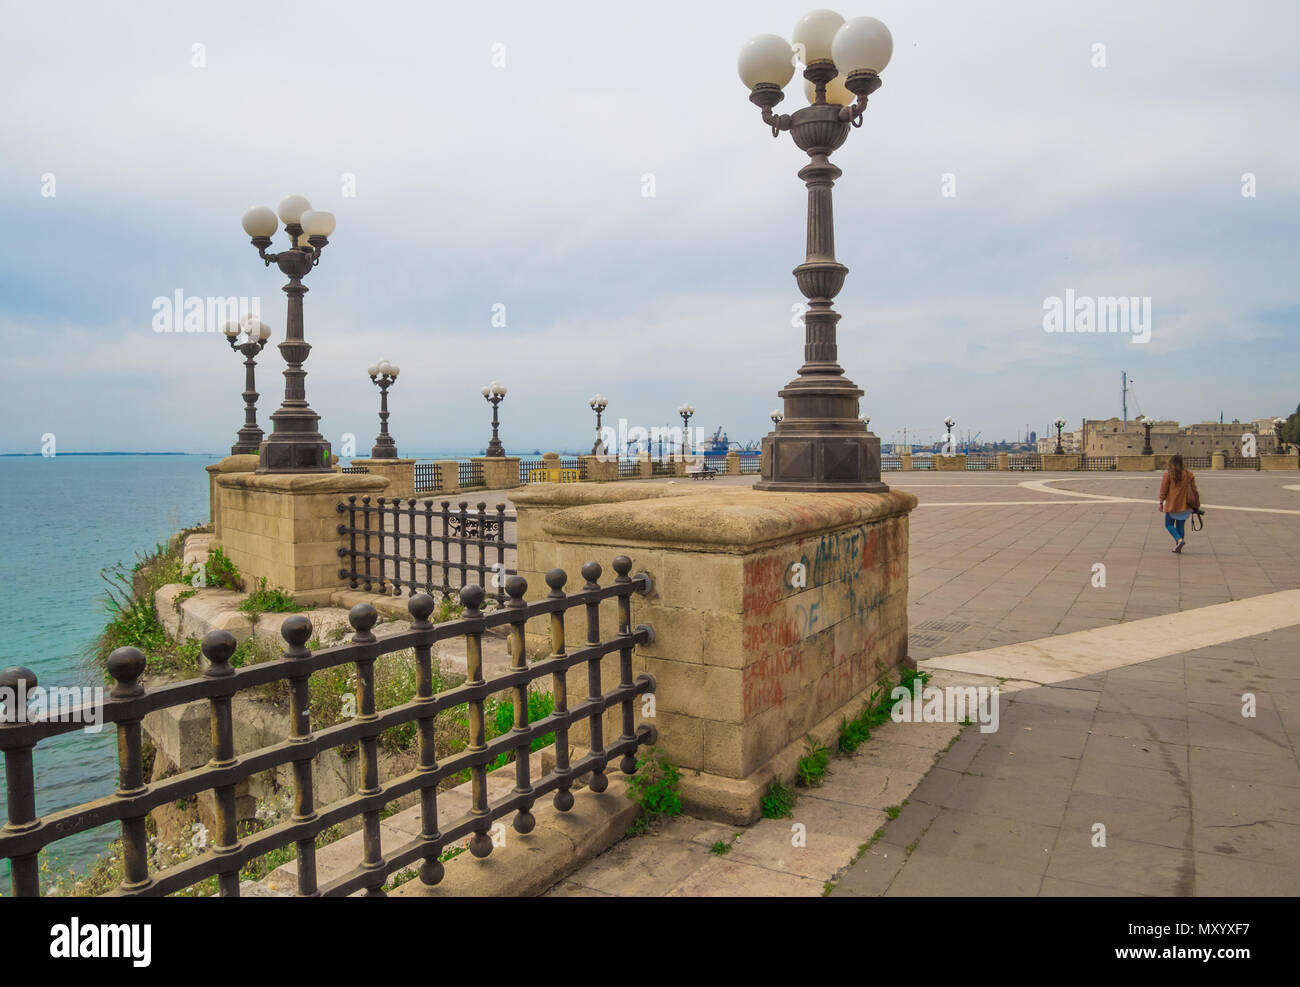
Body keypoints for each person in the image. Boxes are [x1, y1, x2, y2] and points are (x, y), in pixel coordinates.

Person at [1158, 453, 1200, 553]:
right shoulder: (1189, 474)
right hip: (1185, 505)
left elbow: (1164, 490)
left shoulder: (1168, 475)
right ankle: (1178, 545)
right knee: (1180, 526)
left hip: (1172, 505)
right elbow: (1194, 489)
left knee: (1168, 525)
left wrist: (1161, 502)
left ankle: (1179, 540)